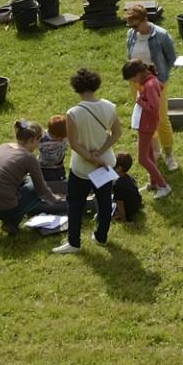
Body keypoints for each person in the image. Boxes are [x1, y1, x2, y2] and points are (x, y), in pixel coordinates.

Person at [56, 68, 121, 254]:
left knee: (75, 203)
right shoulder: (109, 107)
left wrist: (92, 158)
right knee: (104, 201)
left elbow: (74, 144)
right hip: (106, 163)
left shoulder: (73, 113)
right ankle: (101, 236)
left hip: (82, 168)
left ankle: (74, 243)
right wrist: (100, 153)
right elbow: (117, 133)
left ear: (76, 88)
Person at [0, 119, 61, 236]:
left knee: (22, 181)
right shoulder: (29, 158)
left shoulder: (2, 147)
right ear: (32, 140)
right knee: (32, 186)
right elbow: (41, 190)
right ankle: (11, 221)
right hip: (4, 210)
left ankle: (7, 221)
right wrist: (56, 200)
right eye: (38, 140)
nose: (38, 145)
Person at [122, 4, 177, 172]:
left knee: (161, 118)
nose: (133, 29)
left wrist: (160, 78)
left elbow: (171, 58)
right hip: (136, 83)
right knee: (145, 118)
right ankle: (155, 151)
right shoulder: (131, 34)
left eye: (135, 25)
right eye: (130, 26)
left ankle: (169, 155)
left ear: (145, 19)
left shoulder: (161, 35)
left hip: (155, 83)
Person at [121, 60, 171, 199]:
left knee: (142, 159)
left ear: (138, 74)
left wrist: (140, 101)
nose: (133, 82)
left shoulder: (149, 85)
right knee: (149, 155)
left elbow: (154, 107)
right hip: (145, 123)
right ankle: (153, 182)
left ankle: (163, 186)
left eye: (133, 79)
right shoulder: (149, 81)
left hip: (146, 125)